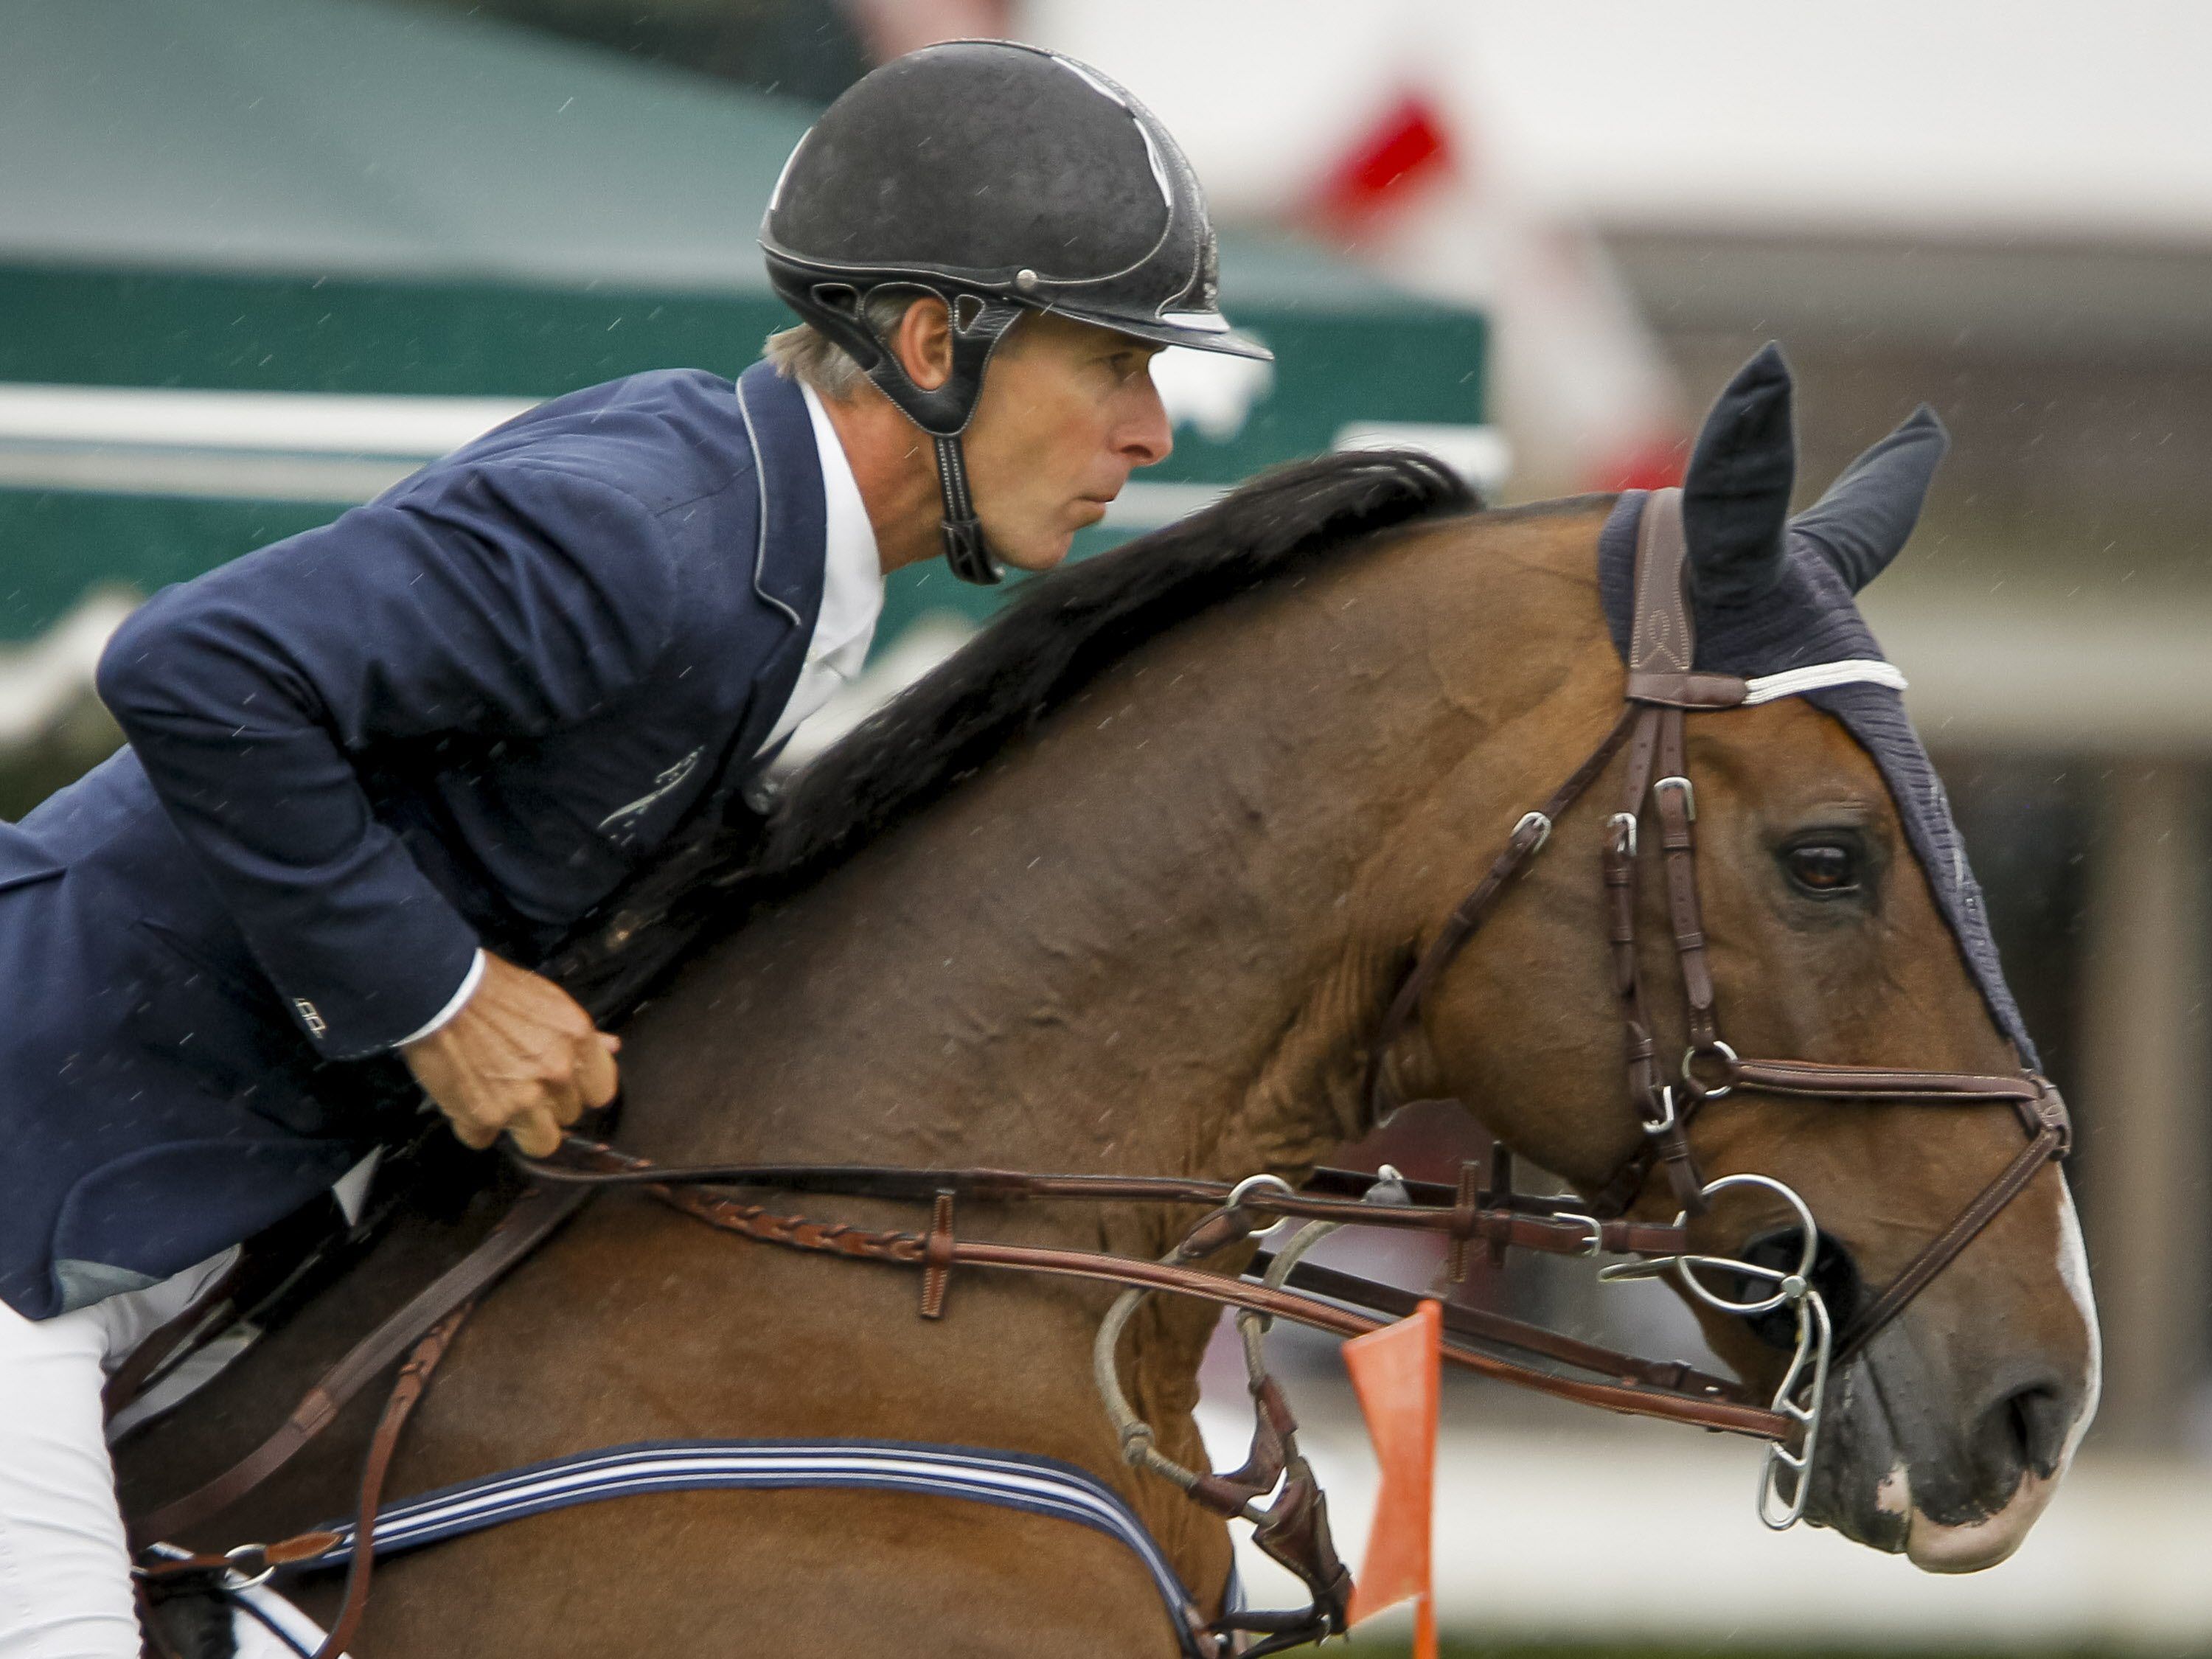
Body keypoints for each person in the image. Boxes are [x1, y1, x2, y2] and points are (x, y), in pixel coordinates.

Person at [0, 39, 1270, 1656]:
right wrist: (441, 999)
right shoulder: (650, 532)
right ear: (941, 344)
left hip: (209, 1220)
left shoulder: (774, 557)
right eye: (1117, 366)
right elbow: (195, 672)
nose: (1152, 433)